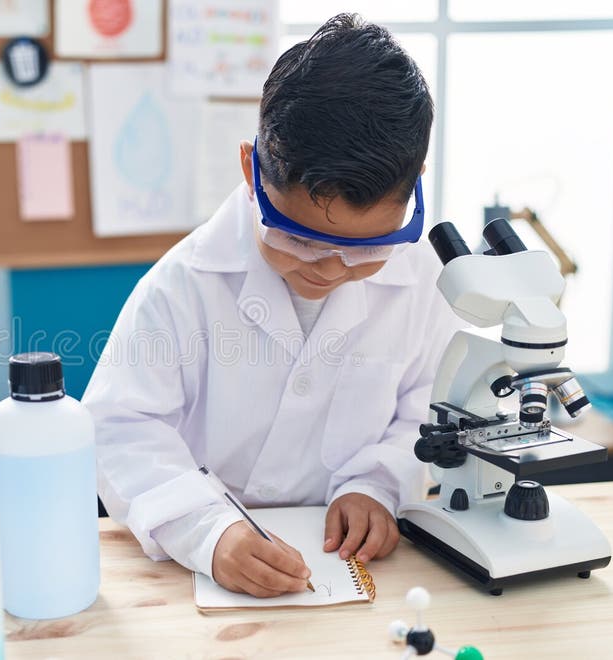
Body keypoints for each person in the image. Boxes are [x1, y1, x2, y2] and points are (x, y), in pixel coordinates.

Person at [82, 13, 460, 598]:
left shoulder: (423, 286)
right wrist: (207, 532)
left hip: (350, 571)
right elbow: (121, 428)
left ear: (412, 191)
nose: (331, 268)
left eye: (367, 249)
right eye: (300, 240)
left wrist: (377, 485)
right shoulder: (182, 286)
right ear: (251, 170)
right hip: (203, 577)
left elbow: (427, 408)